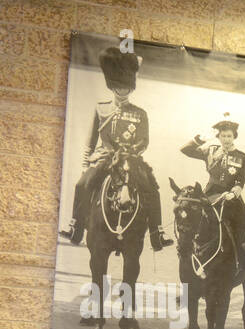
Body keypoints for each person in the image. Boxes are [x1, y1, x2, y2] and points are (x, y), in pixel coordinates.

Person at [60, 47, 171, 252]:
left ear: (131, 87)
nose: (123, 91)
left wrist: (133, 150)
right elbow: (91, 140)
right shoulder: (101, 108)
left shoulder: (140, 113)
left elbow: (144, 141)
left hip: (131, 159)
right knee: (82, 184)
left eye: (127, 87)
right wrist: (86, 164)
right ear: (112, 86)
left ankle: (157, 234)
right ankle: (75, 227)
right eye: (119, 87)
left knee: (152, 189)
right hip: (105, 157)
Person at [180, 114, 245, 277]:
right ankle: (187, 265)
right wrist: (201, 138)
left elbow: (241, 180)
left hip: (230, 199)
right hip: (209, 195)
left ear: (234, 137)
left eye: (229, 136)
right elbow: (185, 150)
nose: (226, 139)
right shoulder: (210, 150)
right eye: (223, 135)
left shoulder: (242, 157)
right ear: (218, 136)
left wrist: (234, 192)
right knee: (191, 221)